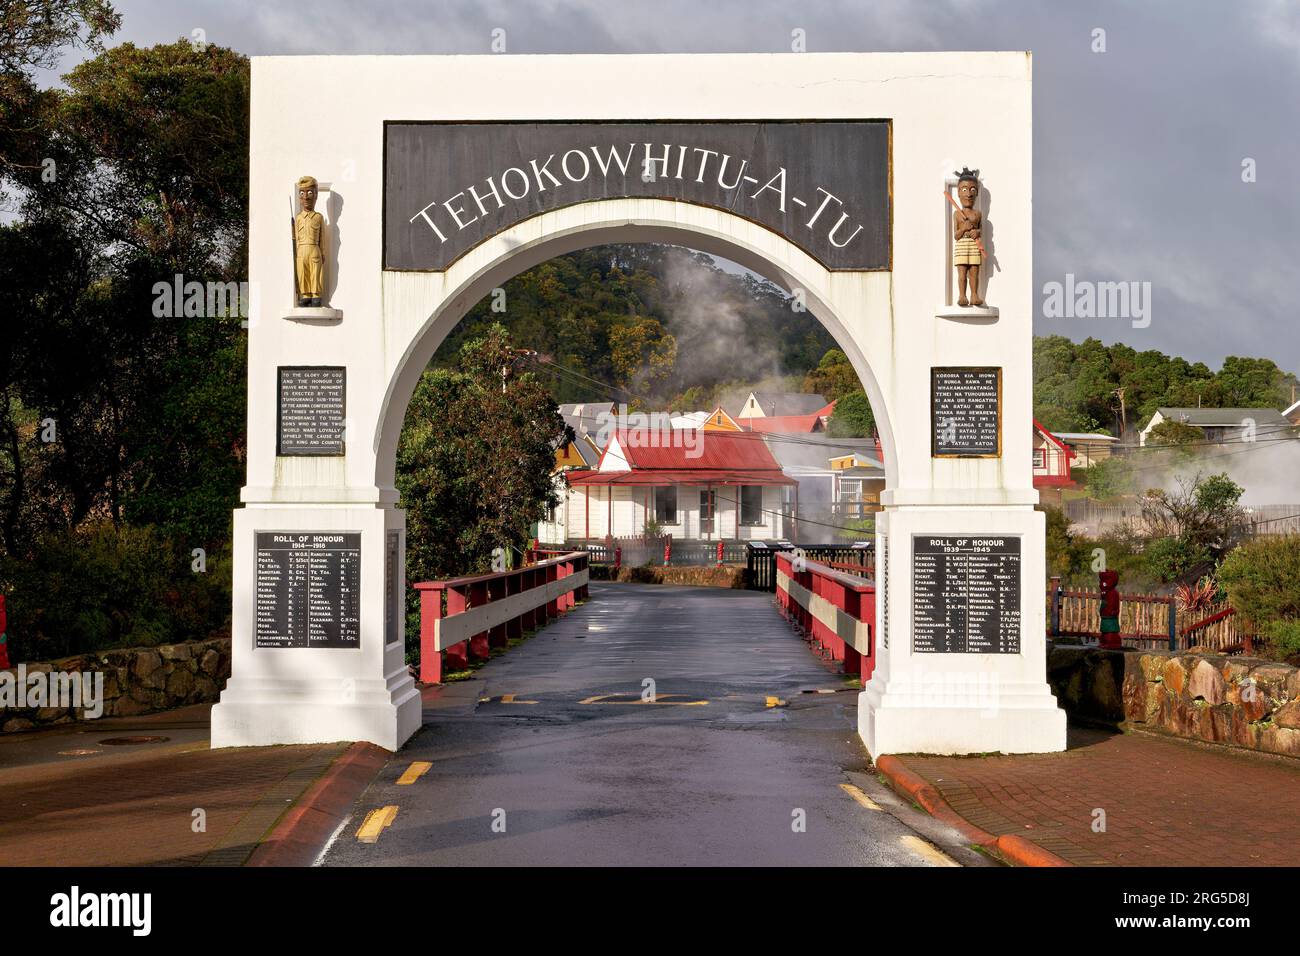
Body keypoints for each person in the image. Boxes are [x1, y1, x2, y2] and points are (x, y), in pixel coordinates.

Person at [952, 168, 984, 307]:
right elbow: (956, 235)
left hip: (974, 245)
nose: (969, 194)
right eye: (964, 189)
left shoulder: (978, 214)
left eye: (972, 189)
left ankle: (974, 295)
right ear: (958, 192)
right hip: (962, 246)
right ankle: (962, 296)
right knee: (962, 274)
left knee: (974, 273)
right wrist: (964, 228)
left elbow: (980, 230)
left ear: (976, 192)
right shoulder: (957, 214)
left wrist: (976, 232)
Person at [293, 175, 325, 307]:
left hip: (314, 249)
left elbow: (322, 238)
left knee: (315, 272)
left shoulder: (318, 217)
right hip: (301, 250)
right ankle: (305, 294)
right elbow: (296, 236)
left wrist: (323, 253)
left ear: (316, 196)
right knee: (302, 273)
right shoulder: (298, 218)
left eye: (310, 193)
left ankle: (316, 294)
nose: (306, 197)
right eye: (302, 193)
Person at [1098, 570, 1121, 650]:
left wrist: (1111, 611)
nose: (1102, 584)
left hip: (1110, 617)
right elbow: (1104, 602)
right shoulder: (1106, 592)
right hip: (1105, 616)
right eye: (1101, 581)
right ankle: (1104, 642)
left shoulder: (1113, 593)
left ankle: (1111, 643)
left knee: (1110, 632)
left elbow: (1112, 604)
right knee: (1104, 632)